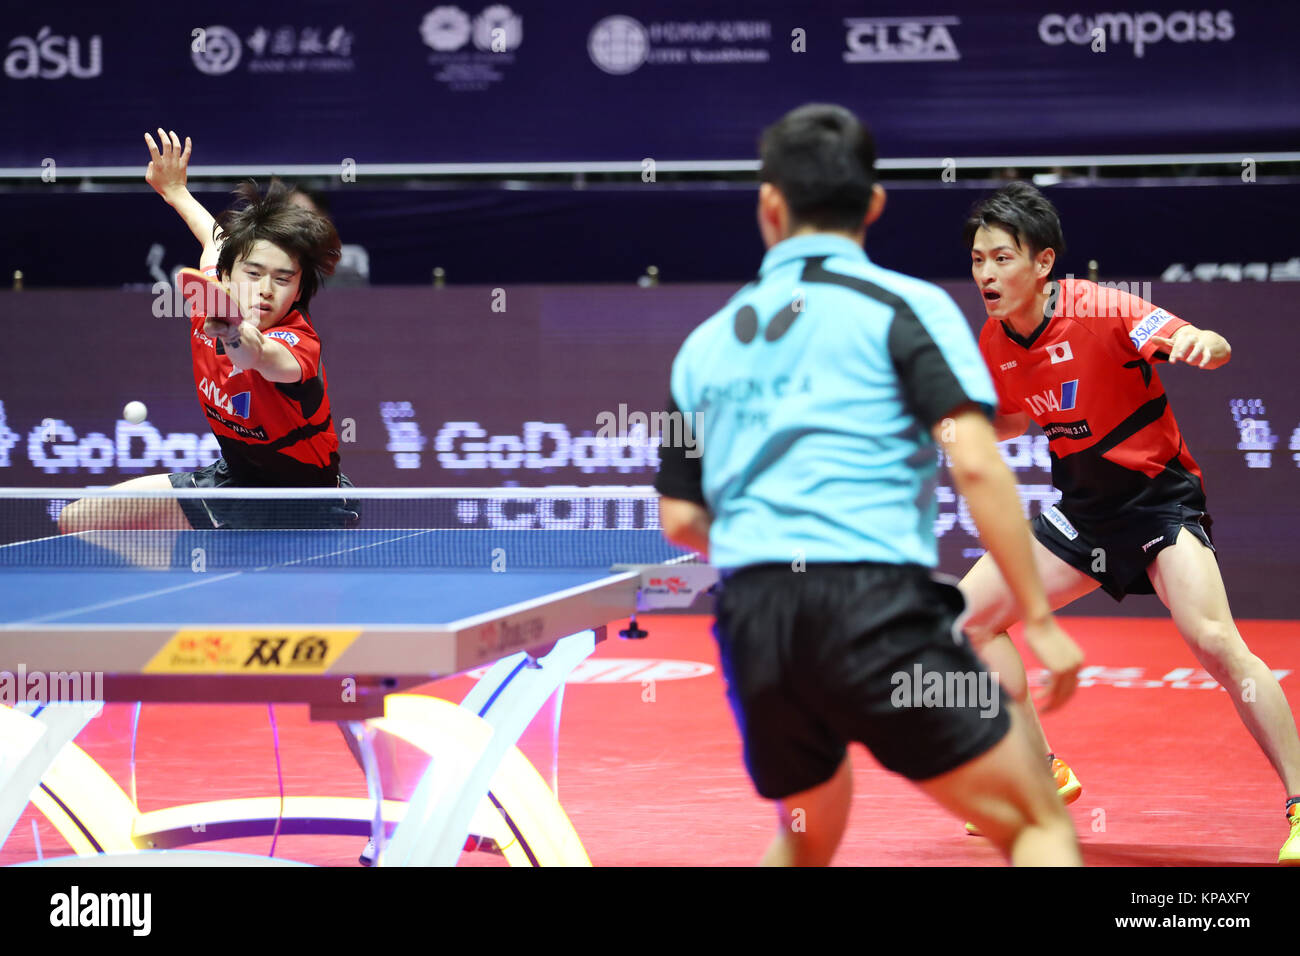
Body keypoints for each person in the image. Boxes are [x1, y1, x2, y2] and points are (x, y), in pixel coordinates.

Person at [654, 104, 1085, 866]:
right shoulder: (909, 309)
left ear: (770, 205)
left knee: (806, 835)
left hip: (756, 624)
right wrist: (1040, 617)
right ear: (874, 204)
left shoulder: (702, 347)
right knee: (1036, 823)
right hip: (876, 612)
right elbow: (977, 462)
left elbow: (681, 518)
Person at [959, 181, 1300, 863]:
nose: (987, 275)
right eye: (977, 260)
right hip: (1083, 513)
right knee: (965, 621)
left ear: (1043, 262)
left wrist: (1203, 343)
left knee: (1215, 641)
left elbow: (1197, 340)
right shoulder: (996, 339)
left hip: (1156, 503)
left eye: (1001, 258)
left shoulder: (1102, 308)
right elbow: (1015, 418)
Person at [59, 129, 354, 533]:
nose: (266, 289)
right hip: (236, 483)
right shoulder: (210, 291)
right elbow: (215, 238)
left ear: (300, 289)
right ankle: (176, 572)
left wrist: (234, 332)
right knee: (79, 519)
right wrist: (175, 190)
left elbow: (258, 354)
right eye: (254, 273)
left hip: (306, 504)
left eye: (283, 279)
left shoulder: (297, 344)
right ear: (226, 275)